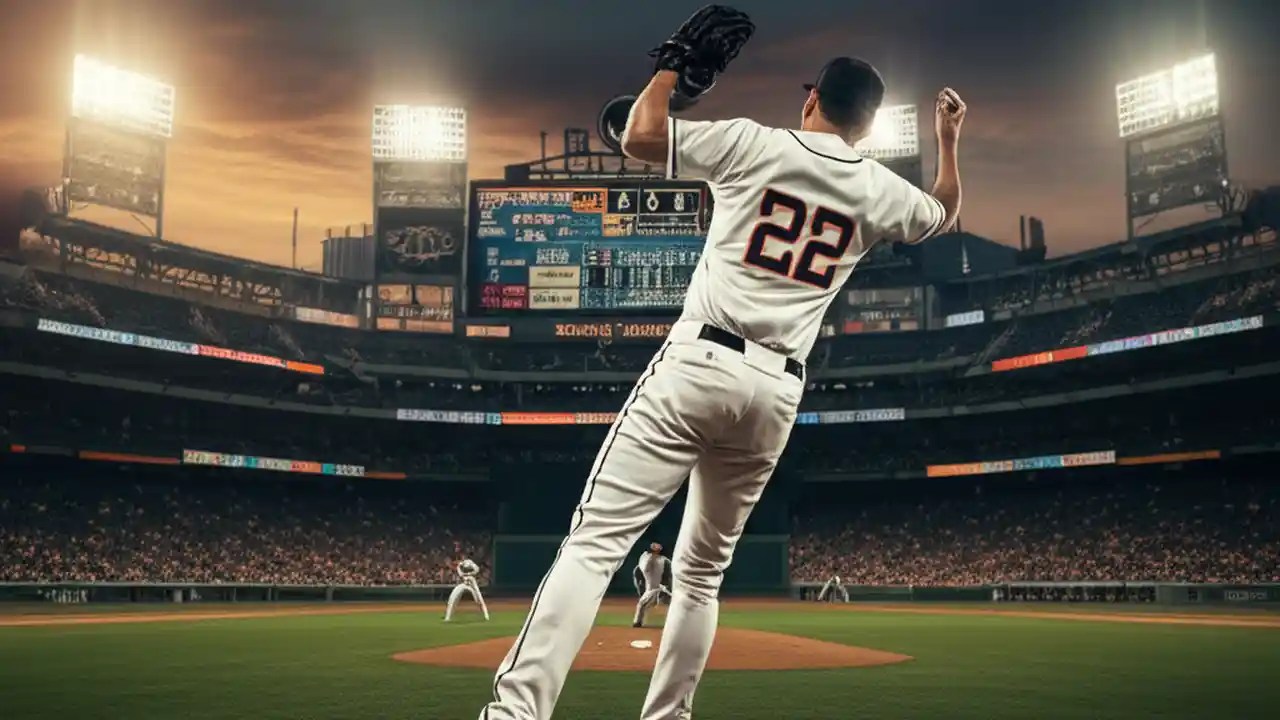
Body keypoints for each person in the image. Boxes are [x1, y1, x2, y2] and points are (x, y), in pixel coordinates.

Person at [479, 56, 965, 720]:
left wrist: (669, 72)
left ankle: (514, 716)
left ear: (811, 100)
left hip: (702, 359)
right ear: (868, 124)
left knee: (594, 546)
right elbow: (944, 210)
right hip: (776, 393)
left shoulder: (755, 142)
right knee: (702, 578)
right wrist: (948, 140)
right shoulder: (879, 189)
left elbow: (640, 137)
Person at [633, 542, 673, 628]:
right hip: (656, 587)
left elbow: (668, 571)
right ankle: (638, 622)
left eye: (655, 551)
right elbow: (645, 568)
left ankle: (637, 622)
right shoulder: (648, 558)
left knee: (642, 604)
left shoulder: (661, 559)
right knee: (669, 603)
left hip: (655, 587)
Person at [444, 557, 489, 622]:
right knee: (452, 598)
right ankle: (447, 617)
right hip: (463, 583)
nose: (462, 557)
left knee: (479, 600)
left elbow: (477, 569)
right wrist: (462, 572)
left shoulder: (469, 562)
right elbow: (460, 573)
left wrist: (468, 573)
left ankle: (486, 616)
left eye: (462, 556)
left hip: (472, 583)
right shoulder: (459, 565)